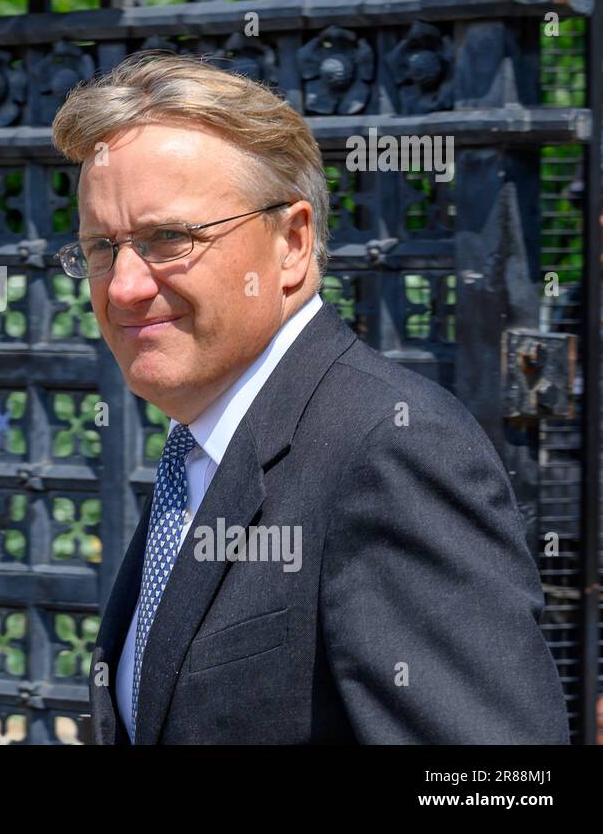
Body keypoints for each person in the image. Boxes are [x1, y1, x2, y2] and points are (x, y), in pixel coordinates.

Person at [51, 52, 570, 744]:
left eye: (168, 239)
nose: (122, 287)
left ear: (292, 243)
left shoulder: (389, 450)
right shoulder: (202, 447)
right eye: (101, 247)